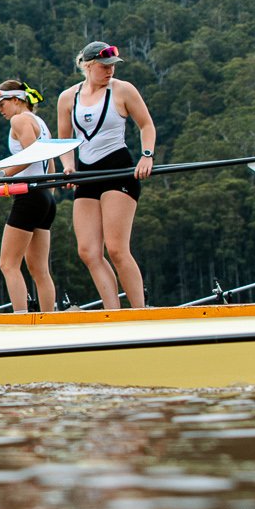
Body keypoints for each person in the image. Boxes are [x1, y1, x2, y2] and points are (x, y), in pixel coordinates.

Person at [52, 42, 157, 309]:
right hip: (87, 175)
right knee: (88, 251)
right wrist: (68, 166)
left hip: (118, 170)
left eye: (112, 66)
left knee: (117, 249)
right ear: (87, 66)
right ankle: (113, 311)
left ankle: (140, 311)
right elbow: (64, 141)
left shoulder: (123, 90)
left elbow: (146, 125)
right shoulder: (67, 98)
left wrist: (147, 155)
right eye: (104, 66)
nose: (109, 71)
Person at [0, 80, 60, 311]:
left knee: (8, 263)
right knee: (39, 269)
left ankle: (21, 317)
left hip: (29, 195)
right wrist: (48, 194)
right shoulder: (41, 122)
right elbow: (51, 162)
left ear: (17, 100)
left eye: (2, 104)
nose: (0, 110)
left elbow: (32, 155)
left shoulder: (19, 120)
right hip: (45, 197)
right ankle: (49, 319)